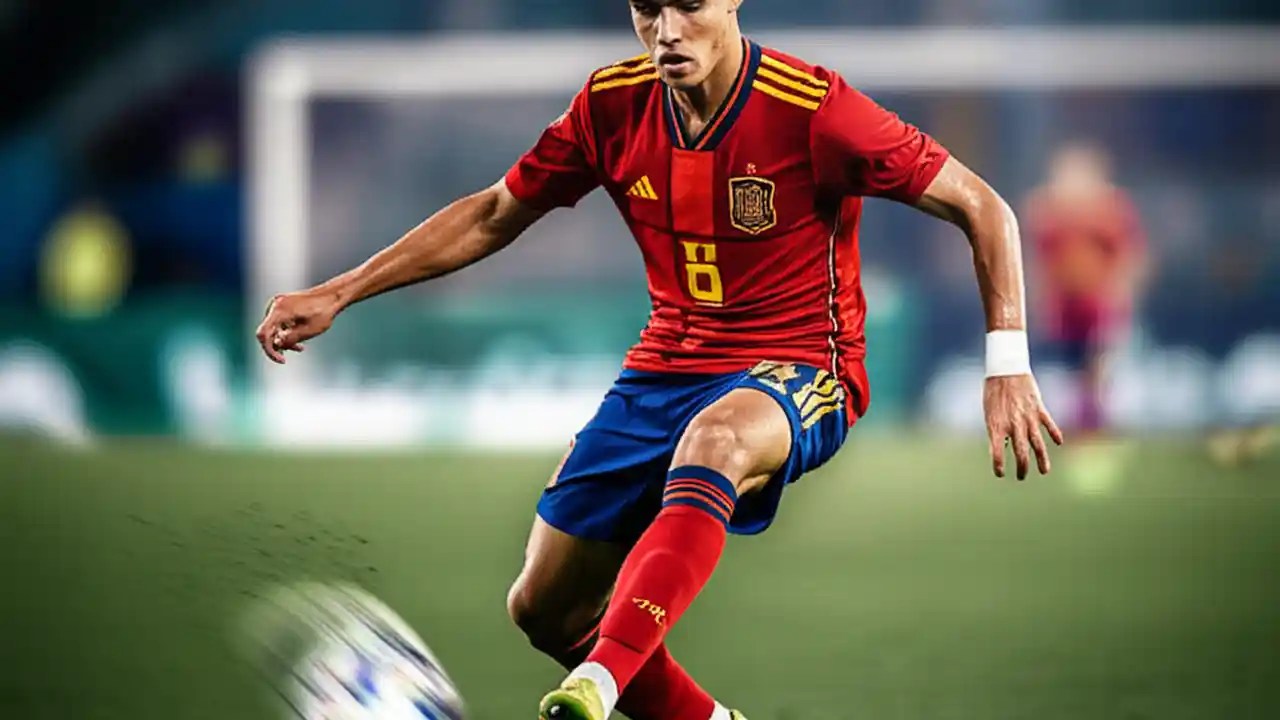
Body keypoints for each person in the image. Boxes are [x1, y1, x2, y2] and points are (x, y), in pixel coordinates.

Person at [255, 2, 1063, 718]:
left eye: (688, 5)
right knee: (544, 608)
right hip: (662, 370)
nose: (667, 31)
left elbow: (981, 205)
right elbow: (498, 212)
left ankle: (598, 687)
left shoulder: (814, 110)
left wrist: (1008, 361)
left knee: (714, 444)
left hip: (803, 368)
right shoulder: (611, 106)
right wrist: (342, 290)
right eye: (647, 8)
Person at [1025, 142, 1147, 435]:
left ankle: (1096, 421)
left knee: (1098, 366)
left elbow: (1130, 255)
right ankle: (1070, 422)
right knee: (1067, 370)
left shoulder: (1110, 209)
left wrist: (1120, 295)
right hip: (1063, 308)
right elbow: (1036, 260)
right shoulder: (1045, 210)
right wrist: (1037, 299)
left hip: (1099, 306)